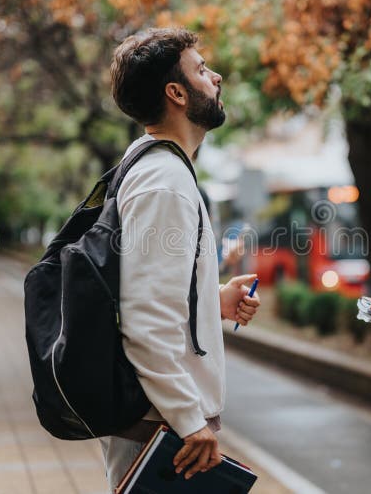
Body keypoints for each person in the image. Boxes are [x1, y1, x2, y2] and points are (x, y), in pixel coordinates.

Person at [100, 27, 261, 490]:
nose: (217, 77)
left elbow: (147, 289)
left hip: (161, 418)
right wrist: (190, 420)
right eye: (202, 70)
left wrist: (212, 300)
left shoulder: (154, 165)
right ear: (176, 93)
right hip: (163, 425)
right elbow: (145, 318)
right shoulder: (164, 181)